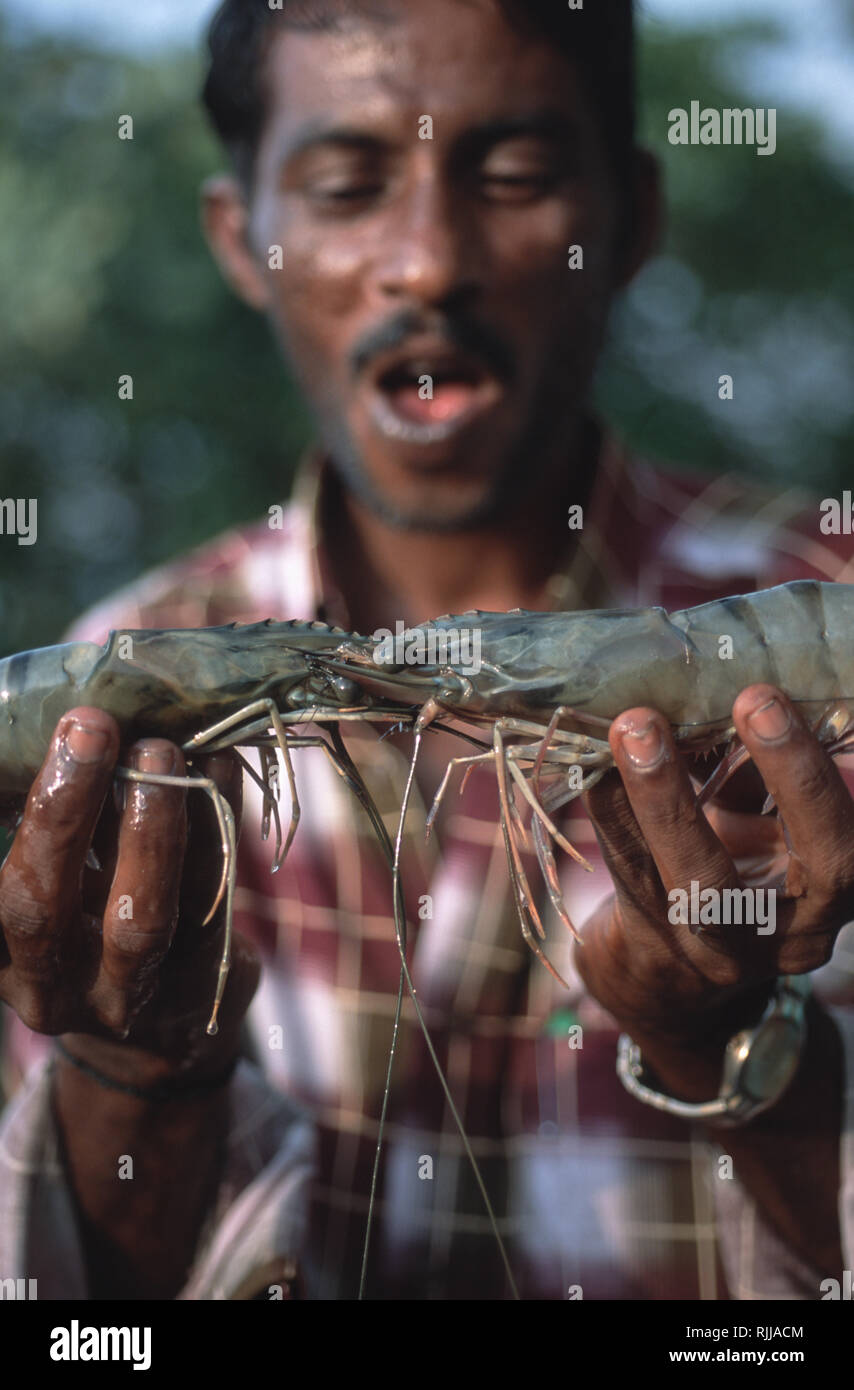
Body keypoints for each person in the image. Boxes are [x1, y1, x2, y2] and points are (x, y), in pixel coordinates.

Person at [1, 0, 853, 1301]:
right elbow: (75, 1324)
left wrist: (743, 1047)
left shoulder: (826, 602)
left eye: (511, 176)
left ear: (629, 216)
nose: (426, 261)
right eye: (347, 184)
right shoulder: (96, 692)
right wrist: (135, 1076)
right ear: (241, 239)